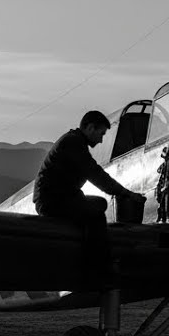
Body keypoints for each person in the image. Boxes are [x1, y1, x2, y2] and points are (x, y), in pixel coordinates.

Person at [34, 110, 144, 286]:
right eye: (101, 134)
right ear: (90, 128)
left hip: (58, 198)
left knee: (98, 204)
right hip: (52, 201)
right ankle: (97, 268)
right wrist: (126, 193)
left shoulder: (74, 141)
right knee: (96, 214)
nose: (101, 140)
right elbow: (95, 174)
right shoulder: (73, 143)